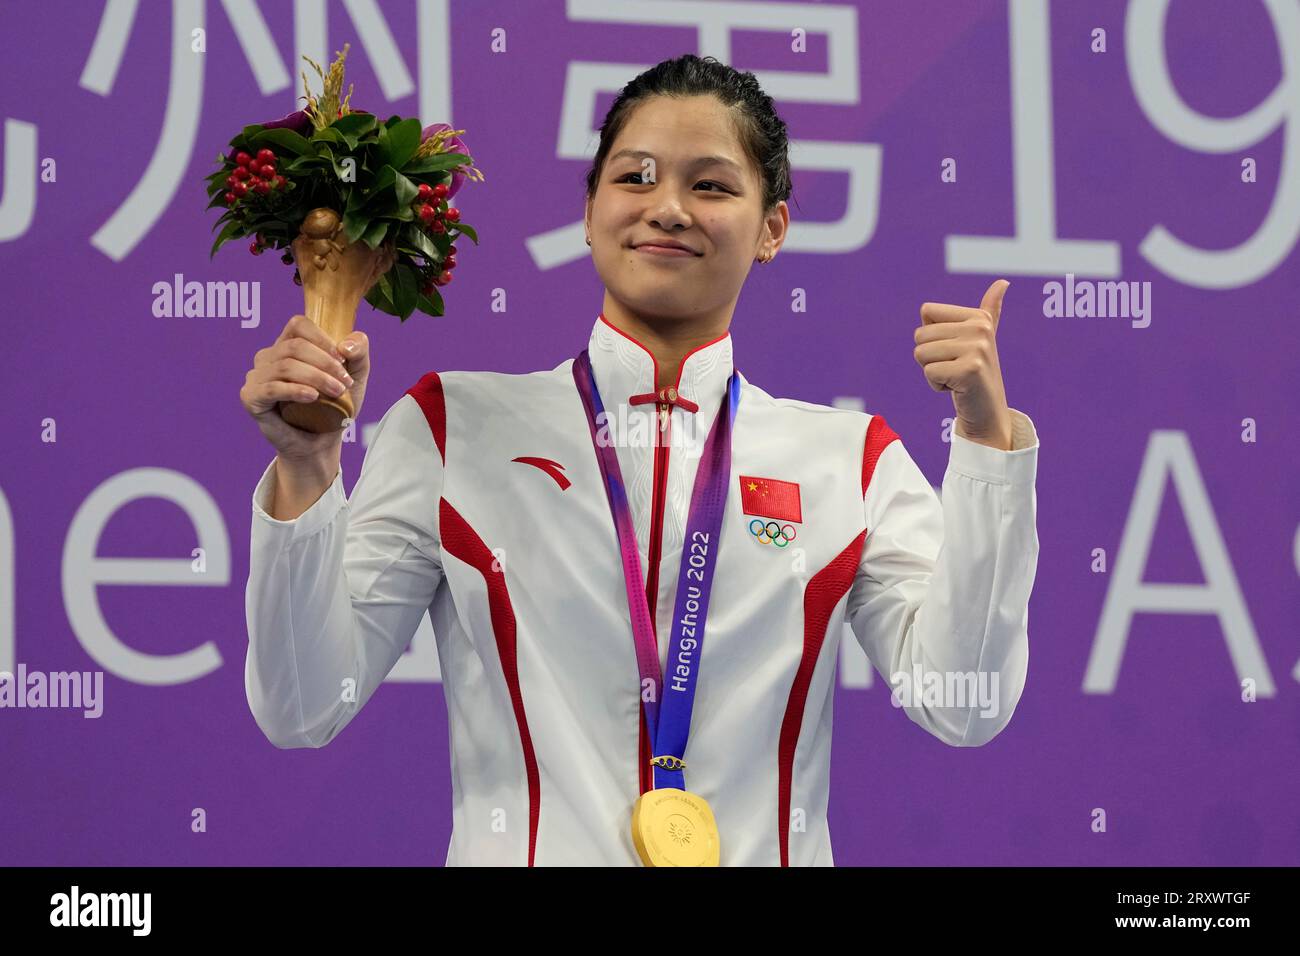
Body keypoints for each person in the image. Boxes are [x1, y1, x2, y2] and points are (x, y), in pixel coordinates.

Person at [240, 54, 1039, 866]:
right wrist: (307, 471)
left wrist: (982, 444)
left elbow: (962, 705)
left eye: (713, 186)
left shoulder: (849, 461)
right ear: (589, 211)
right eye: (635, 177)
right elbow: (303, 706)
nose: (668, 208)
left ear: (773, 229)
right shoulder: (453, 428)